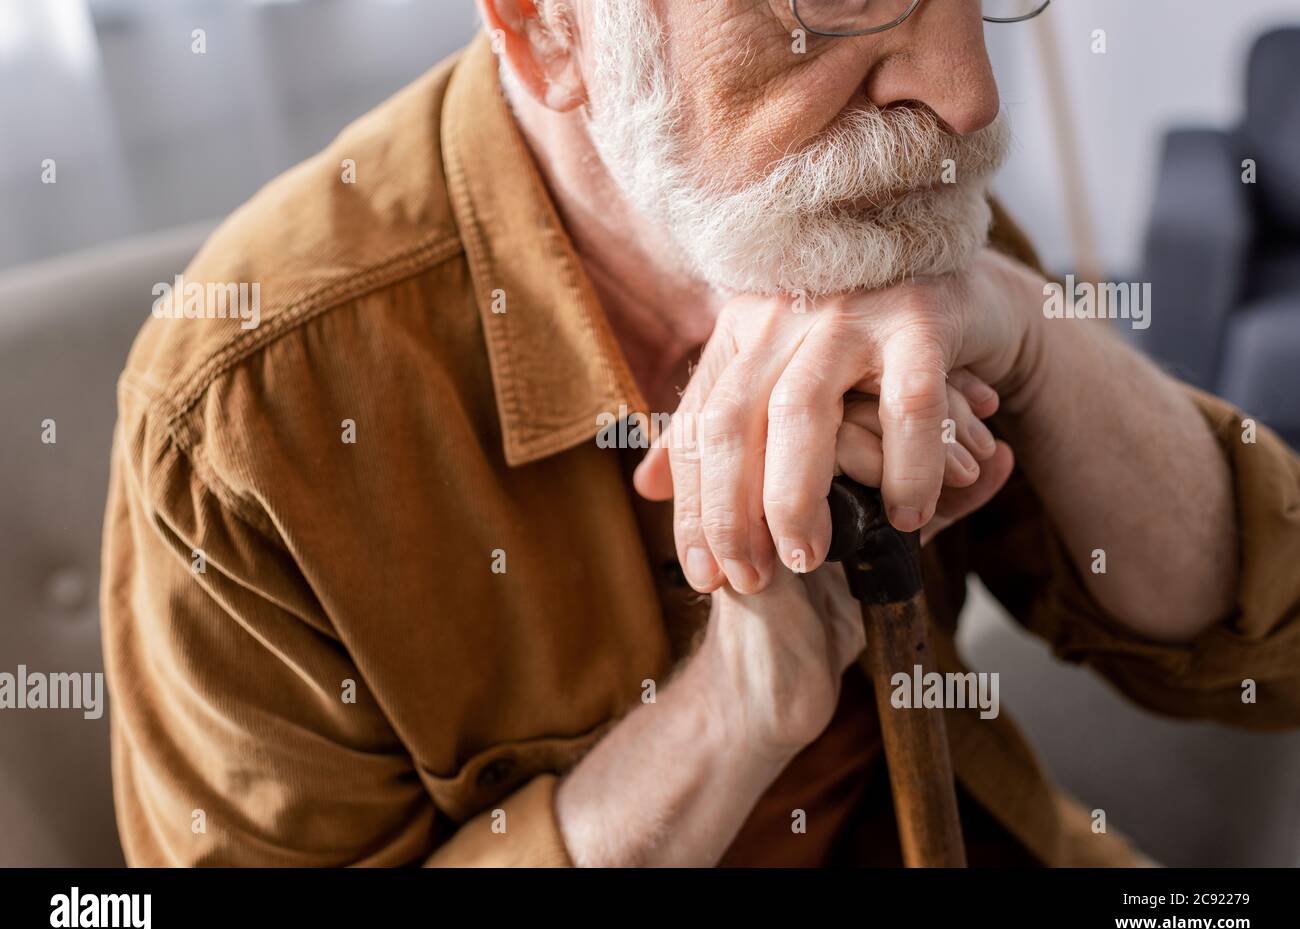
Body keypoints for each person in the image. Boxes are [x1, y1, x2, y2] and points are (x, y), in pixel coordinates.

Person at [102, 1, 1300, 866]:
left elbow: (1262, 650)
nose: (965, 91)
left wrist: (1027, 330)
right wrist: (730, 715)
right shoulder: (247, 425)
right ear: (546, 30)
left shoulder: (883, 198)